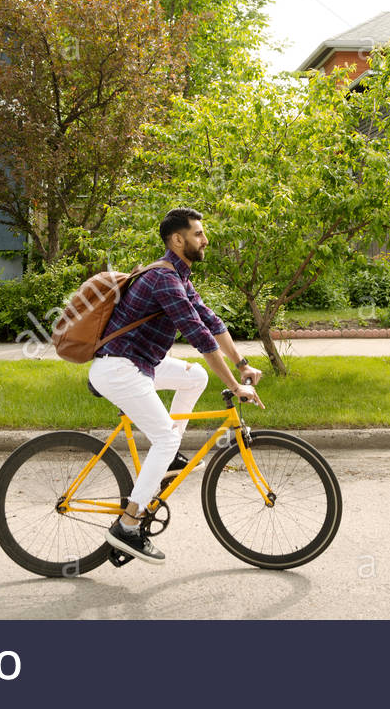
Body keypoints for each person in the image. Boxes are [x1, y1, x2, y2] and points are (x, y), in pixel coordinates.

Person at [90, 207, 264, 564]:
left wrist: (242, 364)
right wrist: (234, 385)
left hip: (139, 364)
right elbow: (199, 336)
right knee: (166, 437)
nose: (205, 240)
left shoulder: (179, 276)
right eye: (198, 234)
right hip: (120, 369)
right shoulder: (164, 280)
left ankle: (169, 460)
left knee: (195, 376)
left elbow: (211, 322)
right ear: (177, 239)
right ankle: (127, 525)